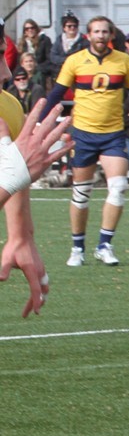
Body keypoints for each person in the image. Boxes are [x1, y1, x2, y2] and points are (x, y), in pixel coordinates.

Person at [39, 16, 129, 266]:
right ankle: (77, 248)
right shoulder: (74, 61)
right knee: (81, 194)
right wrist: (40, 125)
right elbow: (56, 95)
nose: (101, 35)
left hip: (113, 134)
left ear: (111, 35)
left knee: (119, 186)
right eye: (97, 31)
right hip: (83, 133)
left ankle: (104, 245)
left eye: (105, 31)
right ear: (88, 35)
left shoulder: (123, 60)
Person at [0, 65, 70, 318]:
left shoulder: (6, 106)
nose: (7, 74)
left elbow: (8, 167)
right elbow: (9, 175)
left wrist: (20, 235)